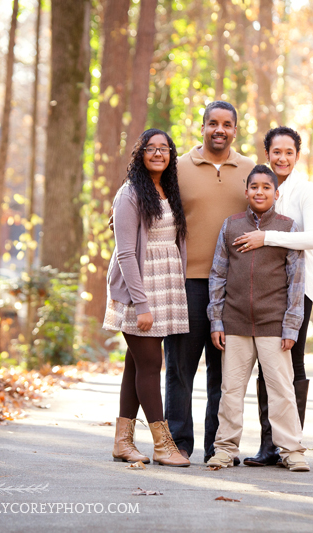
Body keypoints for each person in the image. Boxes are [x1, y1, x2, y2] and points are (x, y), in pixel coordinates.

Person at [164, 101, 255, 463]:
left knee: (224, 375)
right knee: (179, 369)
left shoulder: (249, 169)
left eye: (227, 124)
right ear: (201, 127)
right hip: (186, 283)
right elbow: (150, 204)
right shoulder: (179, 168)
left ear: (235, 129)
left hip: (233, 287)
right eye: (212, 123)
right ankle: (178, 444)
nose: (220, 129)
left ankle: (218, 448)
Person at [206, 165, 310, 472]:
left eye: (267, 187)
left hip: (273, 325)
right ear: (246, 191)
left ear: (276, 194)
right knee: (231, 391)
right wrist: (216, 320)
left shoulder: (287, 228)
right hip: (234, 323)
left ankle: (292, 451)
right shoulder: (231, 225)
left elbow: (296, 281)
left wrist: (291, 324)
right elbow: (217, 274)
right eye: (255, 187)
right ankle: (224, 450)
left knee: (281, 390)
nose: (260, 192)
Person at [232, 126, 313, 467]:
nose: (282, 158)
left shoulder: (306, 190)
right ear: (267, 154)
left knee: (292, 360)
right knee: (263, 363)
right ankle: (269, 445)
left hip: (298, 289)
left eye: (289, 152)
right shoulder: (260, 185)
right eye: (276, 152)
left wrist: (267, 237)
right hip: (262, 290)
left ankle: (290, 445)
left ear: (297, 156)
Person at [103, 129, 190, 467]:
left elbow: (174, 241)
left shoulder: (168, 189)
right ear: (140, 154)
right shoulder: (129, 194)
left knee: (136, 365)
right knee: (152, 364)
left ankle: (122, 443)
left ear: (171, 154)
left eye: (164, 148)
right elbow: (125, 254)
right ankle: (163, 444)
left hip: (165, 286)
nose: (157, 153)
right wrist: (142, 305)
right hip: (138, 290)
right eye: (150, 148)